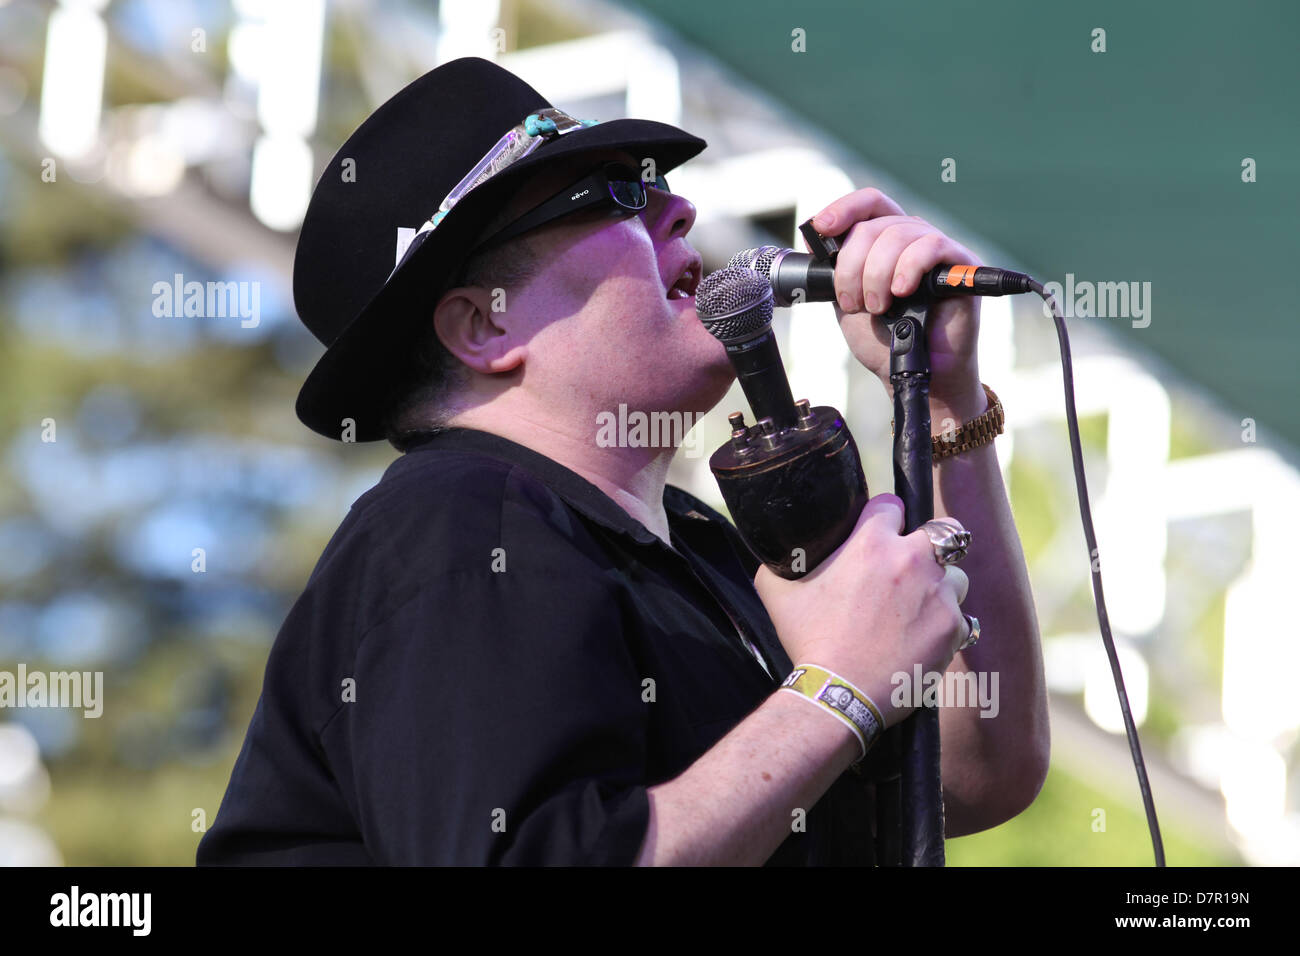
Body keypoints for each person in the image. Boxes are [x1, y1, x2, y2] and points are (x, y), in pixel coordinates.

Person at [197, 57, 1049, 866]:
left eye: (658, 184)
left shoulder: (698, 553)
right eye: (613, 195)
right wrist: (838, 691)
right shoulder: (456, 524)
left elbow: (980, 775)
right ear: (485, 328)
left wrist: (945, 401)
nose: (675, 211)